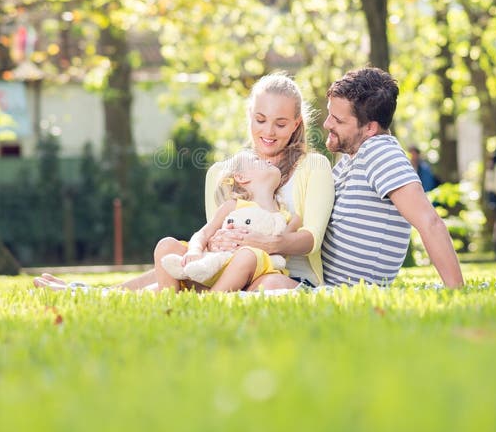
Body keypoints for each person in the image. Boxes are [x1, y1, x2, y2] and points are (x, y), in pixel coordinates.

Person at [34, 72, 335, 293]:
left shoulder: (313, 166)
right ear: (249, 117)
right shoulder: (223, 173)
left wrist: (267, 242)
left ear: (296, 123)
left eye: (280, 124)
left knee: (267, 287)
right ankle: (96, 293)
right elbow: (215, 246)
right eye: (260, 119)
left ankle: (103, 294)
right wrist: (210, 243)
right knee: (172, 255)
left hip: (283, 278)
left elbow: (311, 239)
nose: (268, 131)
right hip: (229, 274)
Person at [232, 66, 464, 290]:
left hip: (343, 291)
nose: (326, 124)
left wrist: (456, 289)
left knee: (267, 286)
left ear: (370, 129)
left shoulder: (380, 152)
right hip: (318, 282)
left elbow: (430, 222)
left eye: (338, 120)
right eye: (330, 114)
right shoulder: (352, 159)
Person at [157, 150, 301, 291]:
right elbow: (204, 233)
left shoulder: (285, 217)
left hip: (255, 272)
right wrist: (195, 250)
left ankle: (212, 299)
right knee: (166, 245)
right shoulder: (234, 205)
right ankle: (169, 302)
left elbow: (281, 250)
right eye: (257, 160)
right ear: (241, 177)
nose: (268, 160)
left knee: (247, 255)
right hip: (215, 265)